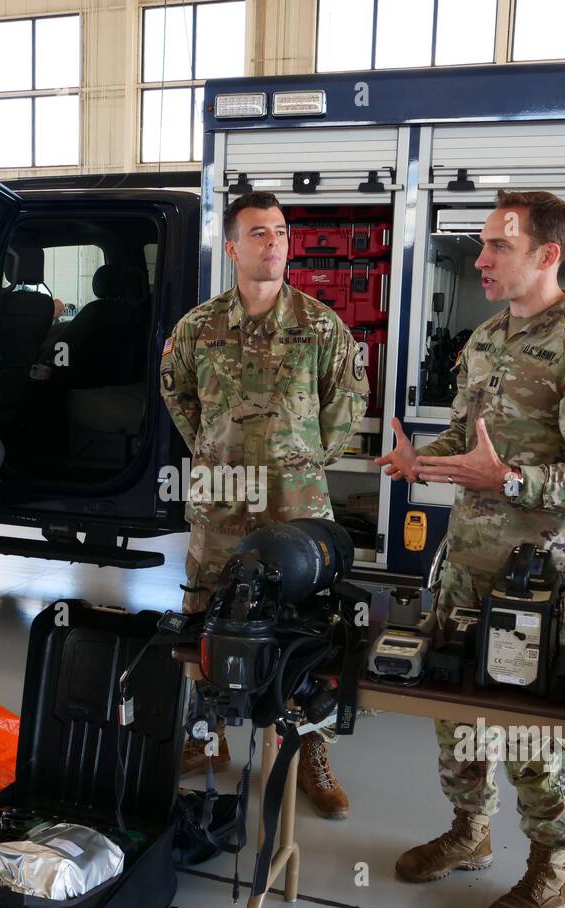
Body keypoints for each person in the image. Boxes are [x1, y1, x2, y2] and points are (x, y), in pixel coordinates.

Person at [376, 190, 565, 908]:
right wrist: (421, 463)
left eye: (499, 246)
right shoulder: (486, 340)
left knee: (532, 733)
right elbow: (470, 445)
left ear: (547, 255)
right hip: (467, 565)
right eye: (482, 244)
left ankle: (550, 871)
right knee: (455, 715)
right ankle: (470, 831)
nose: (481, 259)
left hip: (541, 581)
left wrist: (511, 480)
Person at [161, 191, 368, 819]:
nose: (273, 243)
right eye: (257, 233)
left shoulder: (321, 325)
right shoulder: (198, 328)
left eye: (280, 232)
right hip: (221, 502)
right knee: (206, 611)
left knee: (309, 627)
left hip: (296, 504)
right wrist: (219, 454)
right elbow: (180, 399)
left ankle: (310, 750)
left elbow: (347, 402)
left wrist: (300, 456)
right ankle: (207, 736)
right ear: (231, 247)